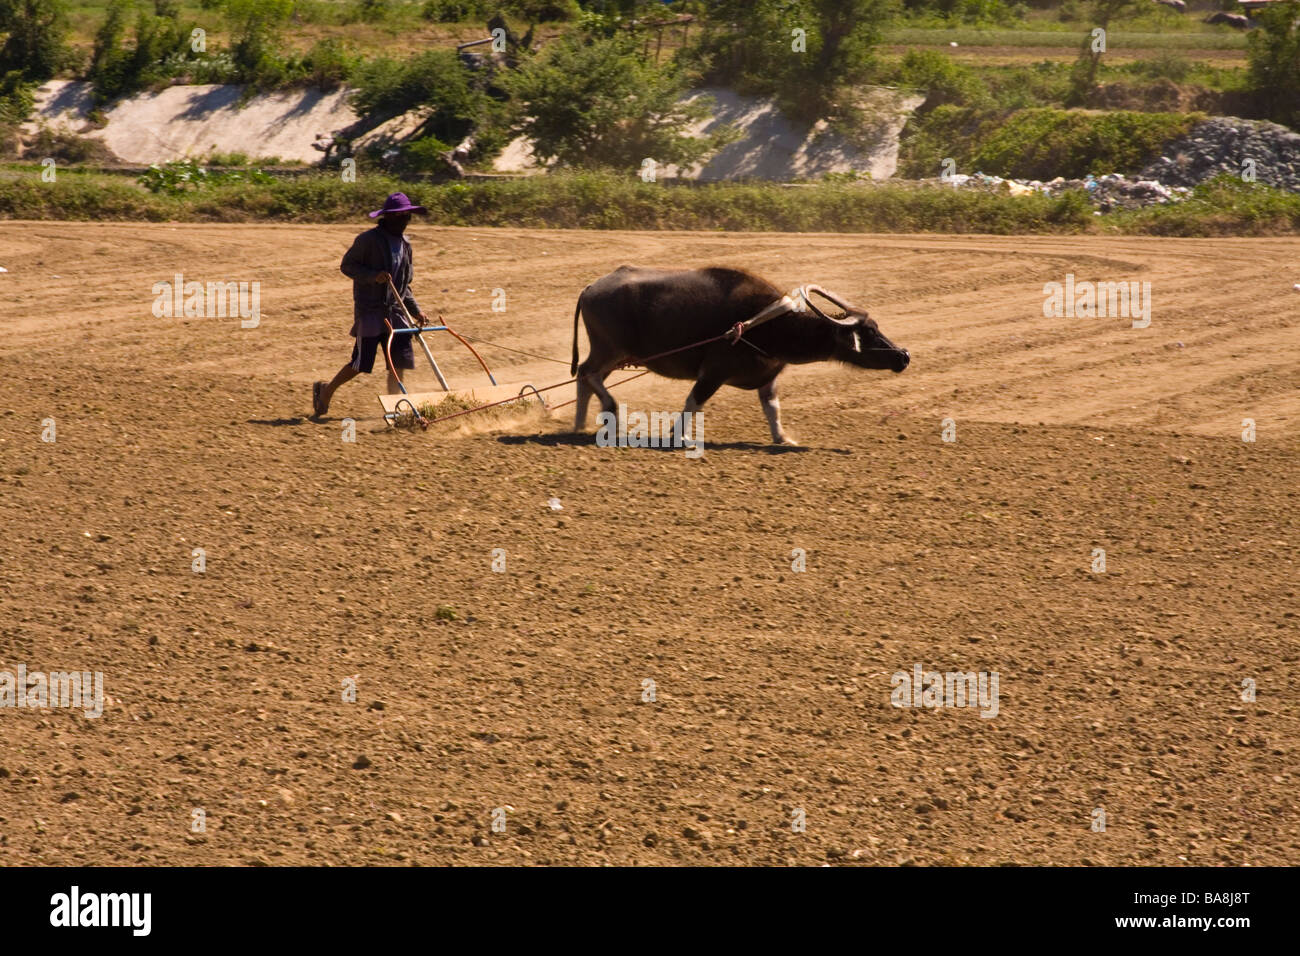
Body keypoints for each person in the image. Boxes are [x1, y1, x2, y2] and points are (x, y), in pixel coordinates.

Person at [313, 192, 430, 417]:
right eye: (399, 215)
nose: (404, 219)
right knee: (361, 363)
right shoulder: (368, 240)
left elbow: (404, 286)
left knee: (398, 362)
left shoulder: (406, 245)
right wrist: (373, 276)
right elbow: (348, 266)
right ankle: (326, 391)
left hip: (396, 313)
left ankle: (396, 408)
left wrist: (416, 311)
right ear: (387, 217)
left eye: (407, 215)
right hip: (371, 312)